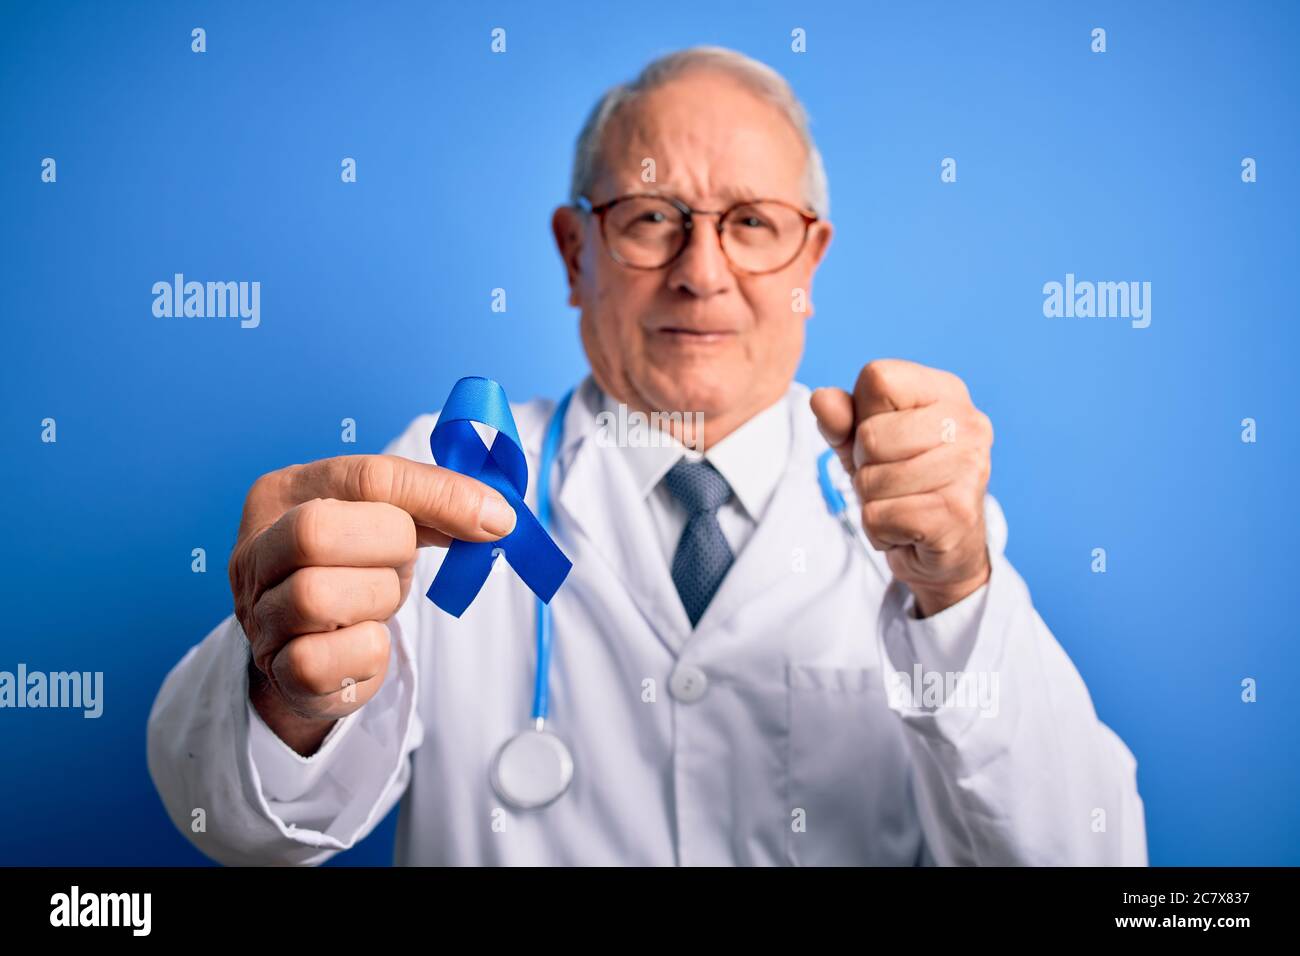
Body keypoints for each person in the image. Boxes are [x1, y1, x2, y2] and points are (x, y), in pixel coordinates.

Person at [147, 46, 1147, 866]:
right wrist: (282, 690)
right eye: (651, 219)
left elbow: (1088, 859)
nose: (701, 273)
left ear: (811, 262)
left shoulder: (919, 521)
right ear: (574, 253)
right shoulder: (445, 480)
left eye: (752, 223)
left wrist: (960, 590)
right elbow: (228, 819)